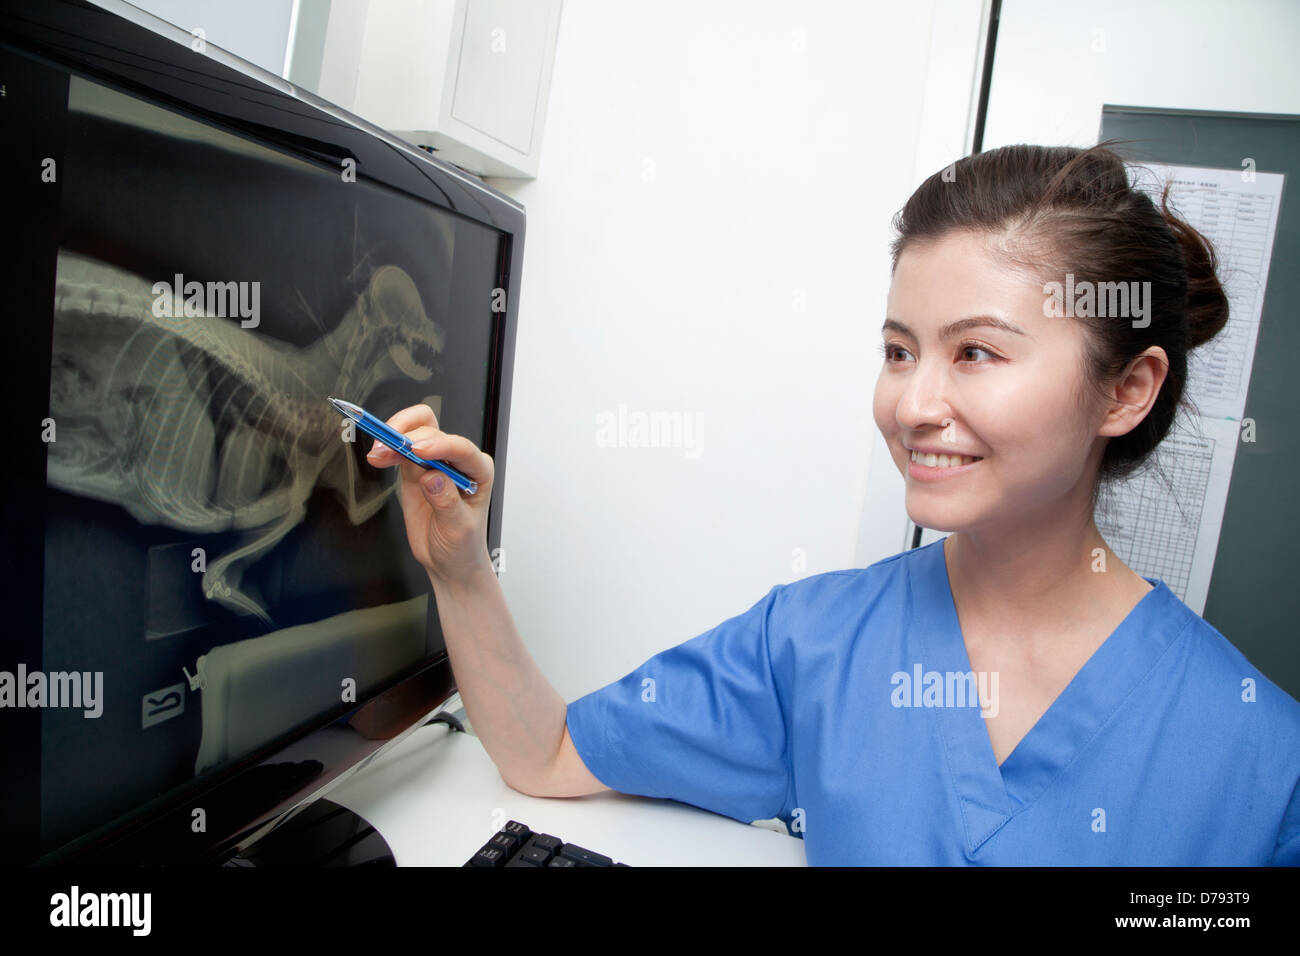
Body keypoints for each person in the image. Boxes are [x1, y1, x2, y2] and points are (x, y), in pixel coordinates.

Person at [368, 143, 1300, 865]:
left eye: (976, 352)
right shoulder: (816, 646)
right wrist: (459, 563)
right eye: (900, 351)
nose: (912, 402)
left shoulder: (1261, 761)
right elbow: (550, 753)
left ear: (1125, 390)